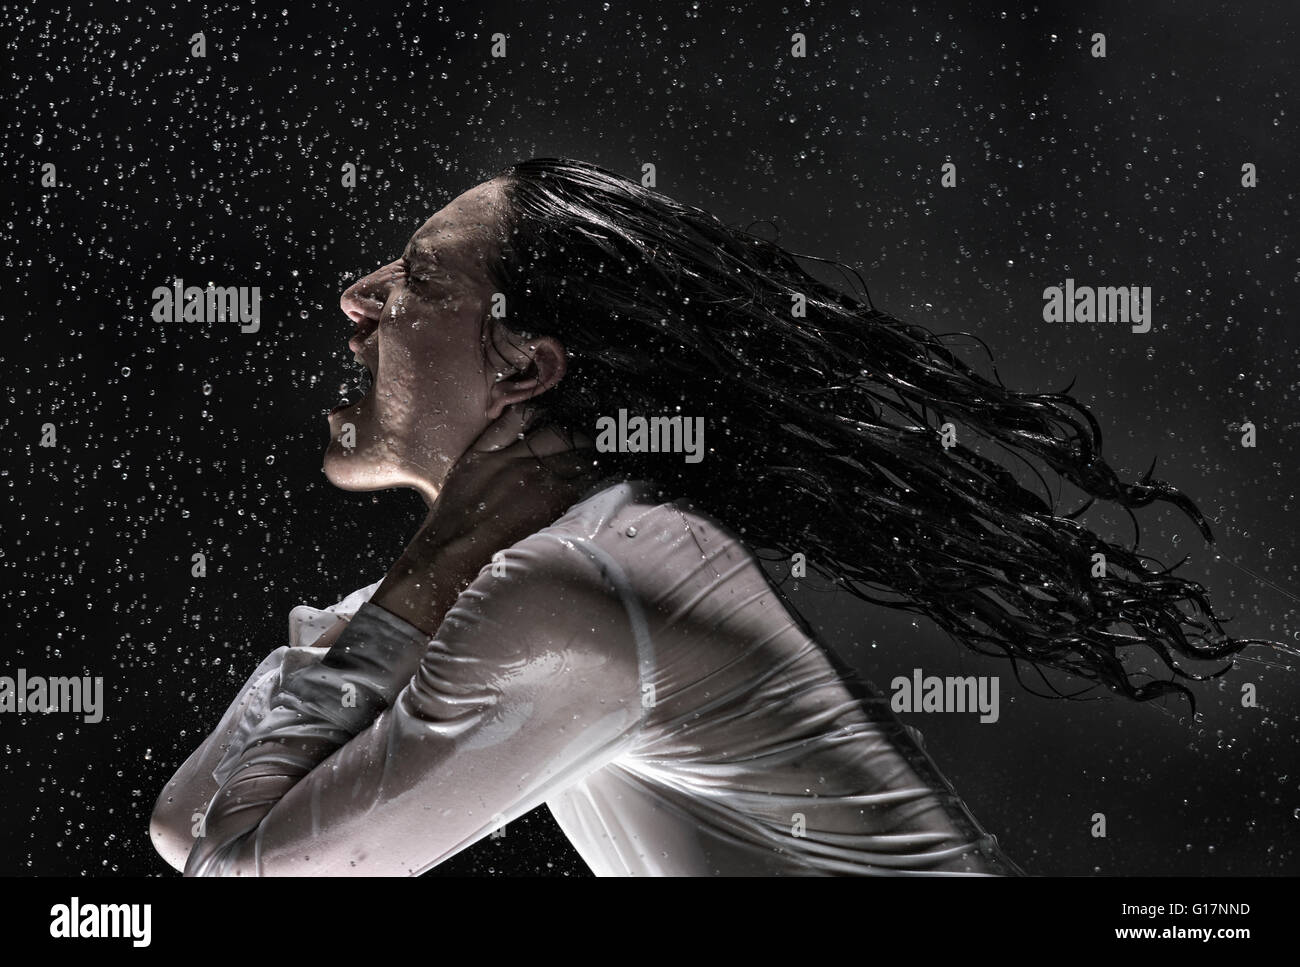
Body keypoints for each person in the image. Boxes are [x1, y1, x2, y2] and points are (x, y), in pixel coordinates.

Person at [150, 159, 1268, 876]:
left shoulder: (576, 590)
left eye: (419, 279)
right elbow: (185, 826)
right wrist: (417, 585)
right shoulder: (530, 568)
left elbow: (239, 865)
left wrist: (422, 579)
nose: (358, 296)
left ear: (525, 366)